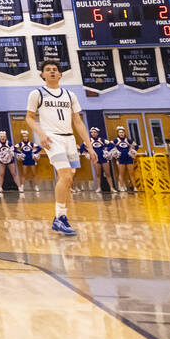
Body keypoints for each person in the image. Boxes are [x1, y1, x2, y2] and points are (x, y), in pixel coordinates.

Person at [26, 61, 98, 236]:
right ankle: (60, 217)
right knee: (65, 175)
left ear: (60, 75)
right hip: (52, 138)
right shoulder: (37, 93)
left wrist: (90, 147)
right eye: (48, 70)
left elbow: (78, 122)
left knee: (69, 178)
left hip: (69, 139)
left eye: (55, 70)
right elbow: (29, 118)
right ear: (42, 75)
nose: (52, 72)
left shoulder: (69, 95)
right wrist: (41, 134)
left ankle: (62, 218)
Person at [84, 127, 115, 192]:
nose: (93, 133)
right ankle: (99, 188)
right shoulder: (89, 140)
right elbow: (82, 147)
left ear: (97, 133)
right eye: (92, 132)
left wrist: (107, 149)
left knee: (108, 174)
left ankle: (111, 188)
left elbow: (111, 145)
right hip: (96, 159)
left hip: (104, 159)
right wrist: (88, 152)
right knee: (98, 174)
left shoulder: (102, 139)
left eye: (95, 132)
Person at [110, 127, 139, 193]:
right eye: (120, 132)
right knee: (121, 173)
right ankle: (121, 187)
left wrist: (133, 151)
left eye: (122, 132)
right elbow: (109, 146)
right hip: (120, 159)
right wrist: (114, 152)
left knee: (131, 173)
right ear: (118, 133)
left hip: (129, 158)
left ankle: (135, 187)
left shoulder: (128, 140)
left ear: (124, 133)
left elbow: (136, 146)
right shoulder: (115, 141)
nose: (121, 134)